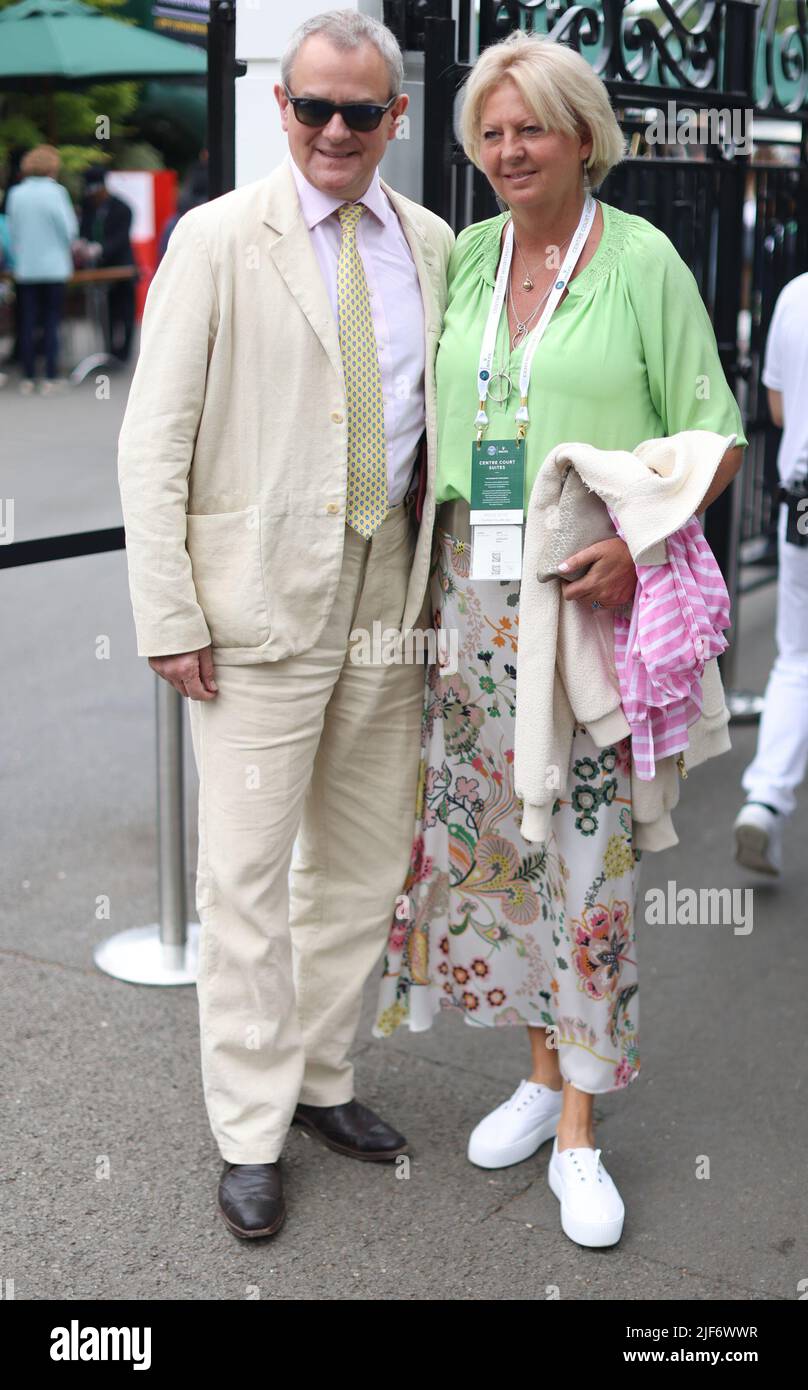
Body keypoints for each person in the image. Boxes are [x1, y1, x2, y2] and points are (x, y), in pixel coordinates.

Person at [373, 31, 747, 1247]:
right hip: (474, 610)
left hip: (584, 605)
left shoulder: (641, 261)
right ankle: (540, 1071)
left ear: (583, 134)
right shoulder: (472, 255)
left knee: (587, 871)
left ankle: (582, 1126)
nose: (507, 149)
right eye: (490, 131)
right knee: (500, 851)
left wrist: (636, 550)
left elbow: (714, 432)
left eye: (530, 126)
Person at [116, 9, 453, 1241]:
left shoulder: (432, 243)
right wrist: (168, 609)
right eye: (313, 107)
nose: (334, 130)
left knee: (359, 869)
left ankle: (322, 1078)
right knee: (248, 881)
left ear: (394, 119)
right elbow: (151, 440)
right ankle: (250, 1128)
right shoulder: (215, 240)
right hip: (254, 606)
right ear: (280, 105)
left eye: (360, 113)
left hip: (387, 598)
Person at [733, 271, 808, 875]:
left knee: (797, 659)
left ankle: (766, 797)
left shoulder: (795, 294)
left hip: (804, 499)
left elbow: (778, 409)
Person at [5, 145, 78, 394]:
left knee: (26, 321)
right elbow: (69, 230)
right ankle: (49, 375)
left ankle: (27, 376)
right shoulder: (57, 192)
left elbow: (12, 230)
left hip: (25, 267)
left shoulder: (16, 193)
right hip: (54, 267)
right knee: (51, 321)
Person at [79, 167, 138, 363]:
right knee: (108, 313)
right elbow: (84, 230)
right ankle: (109, 351)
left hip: (122, 266)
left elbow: (121, 238)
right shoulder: (88, 207)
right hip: (100, 269)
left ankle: (124, 354)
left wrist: (101, 249)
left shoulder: (122, 207)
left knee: (126, 311)